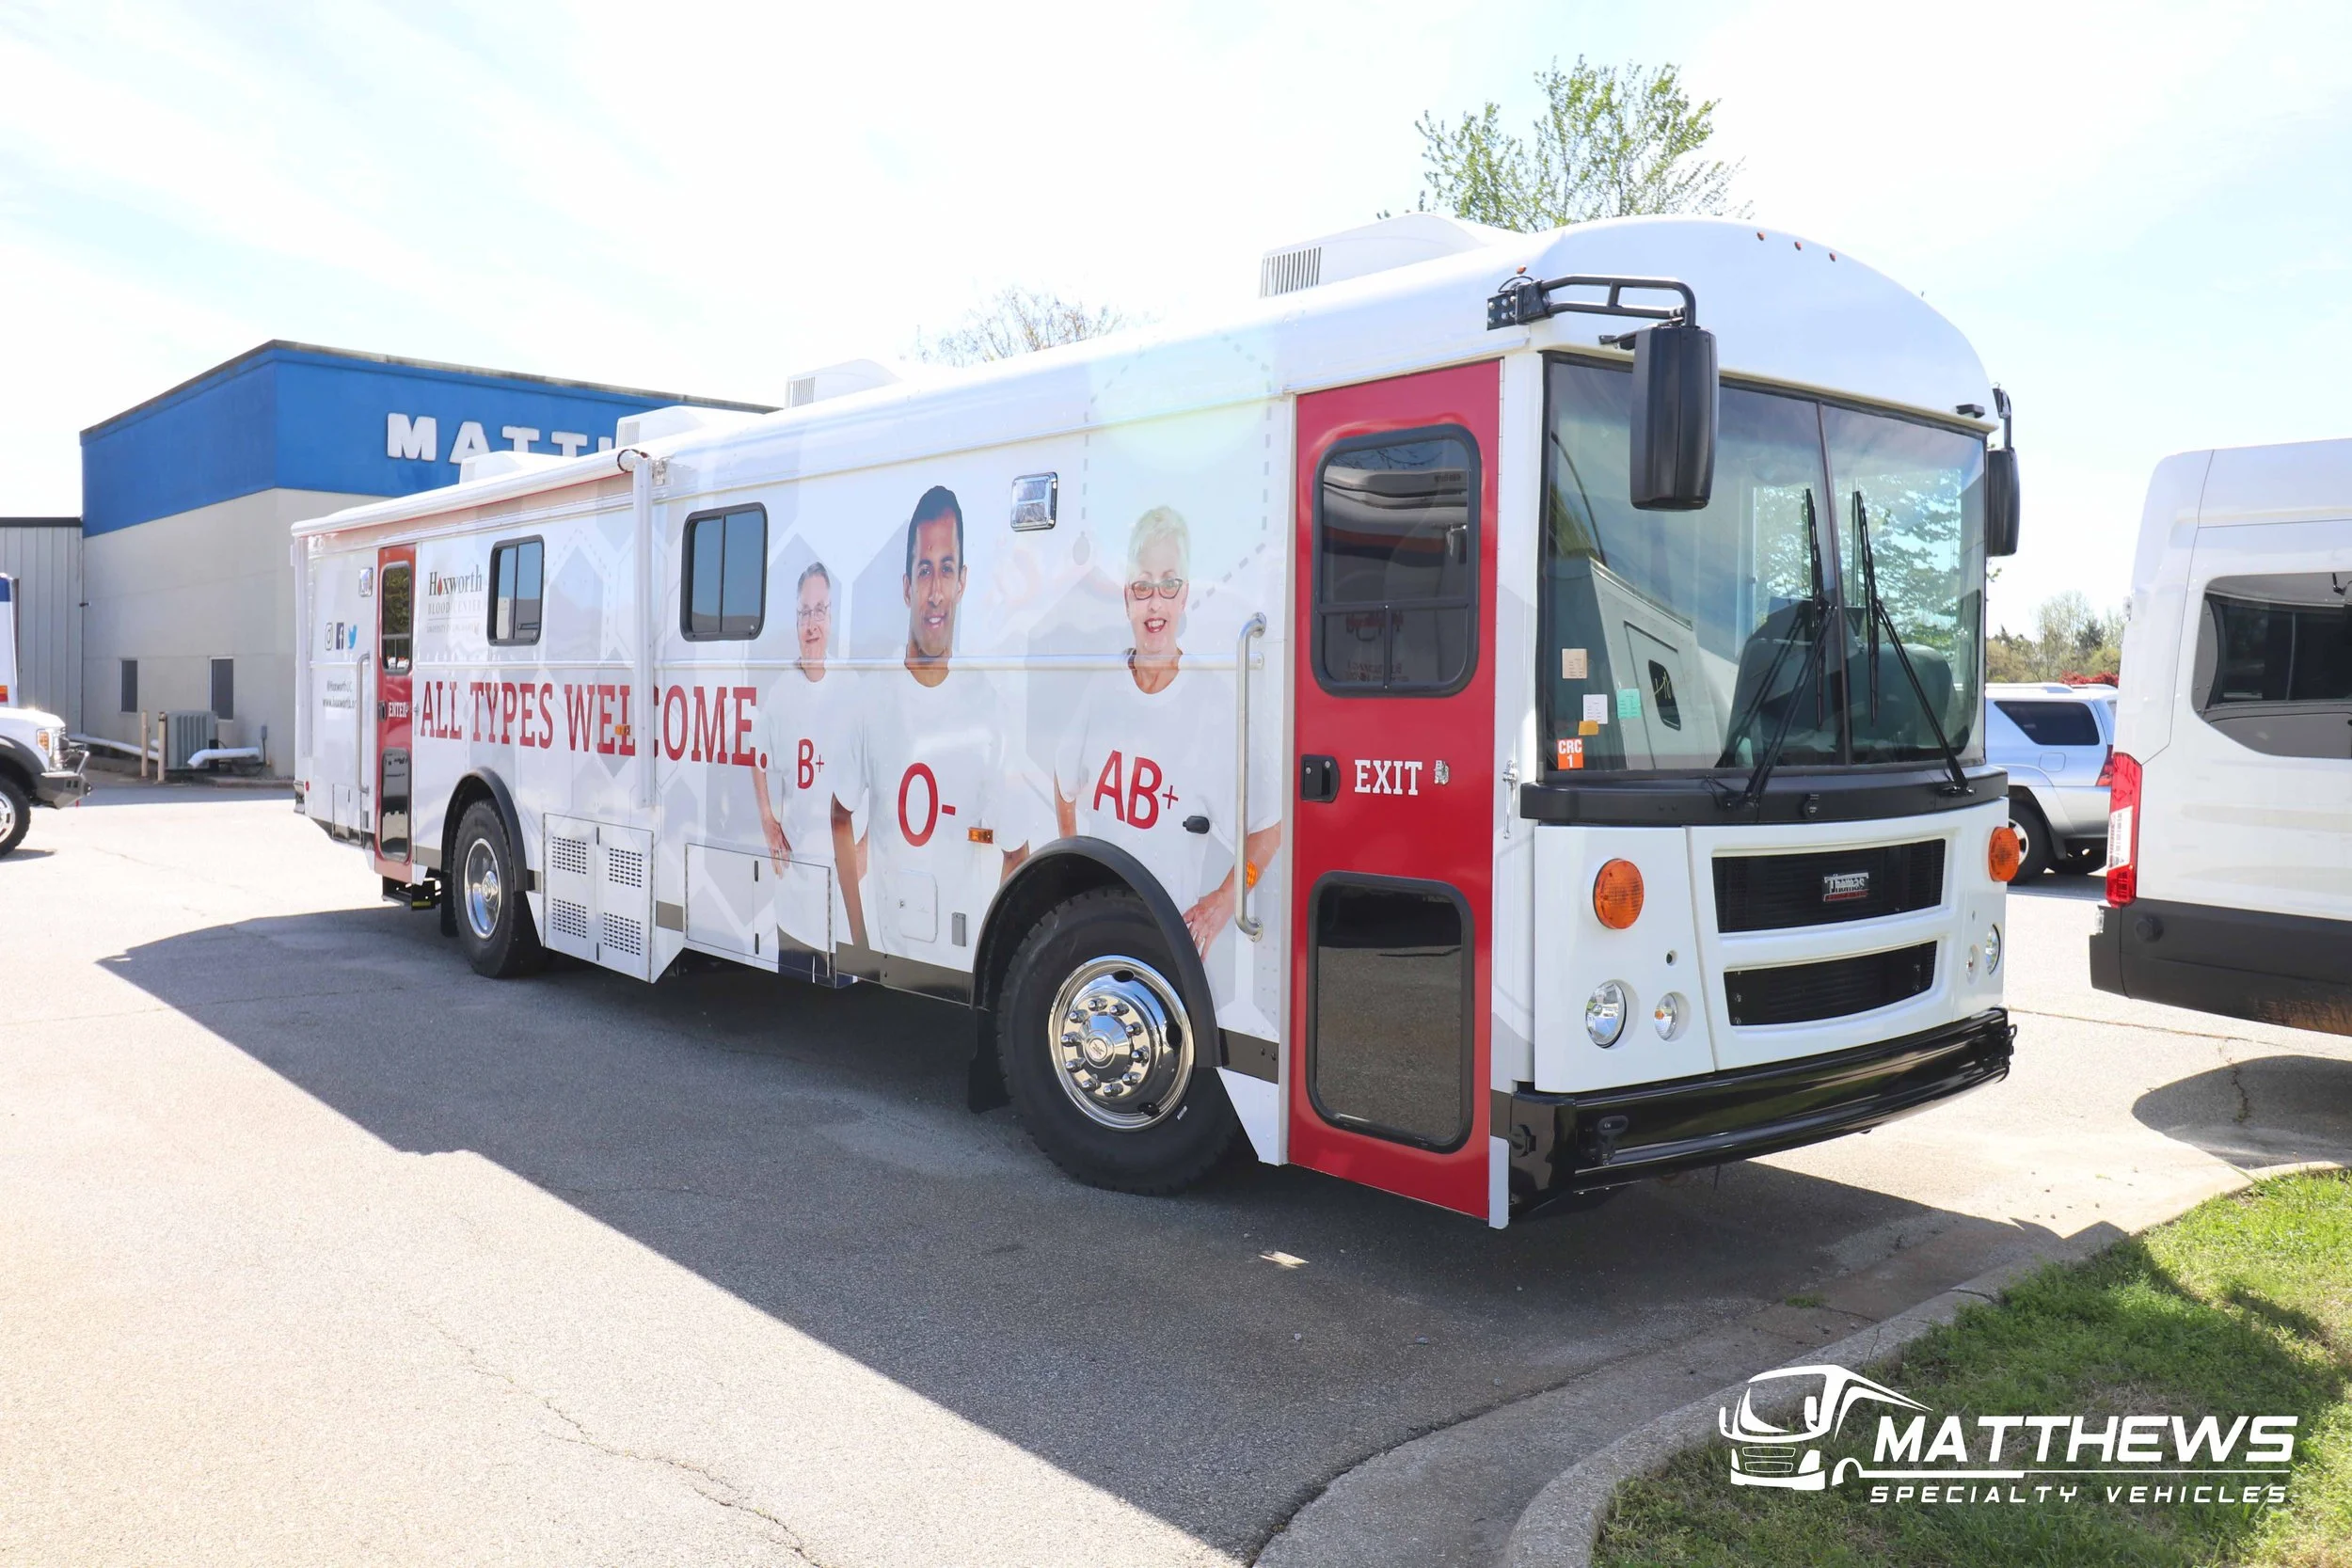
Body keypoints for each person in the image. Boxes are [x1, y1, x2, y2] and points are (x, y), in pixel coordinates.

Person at [1054, 506, 1279, 957]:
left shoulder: (1215, 706)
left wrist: (1225, 901)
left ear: (1184, 596)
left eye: (1168, 584)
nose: (1154, 602)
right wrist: (1069, 871)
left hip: (1167, 940)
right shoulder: (1102, 687)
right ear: (1127, 599)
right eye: (1142, 586)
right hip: (1098, 926)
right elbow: (1064, 784)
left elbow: (1269, 831)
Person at [832, 486, 1029, 958]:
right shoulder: (868, 700)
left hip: (958, 958)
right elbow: (841, 817)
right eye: (924, 571)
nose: (936, 592)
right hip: (887, 951)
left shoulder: (991, 710)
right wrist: (858, 942)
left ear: (962, 581)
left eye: (945, 570)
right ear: (906, 587)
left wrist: (990, 960)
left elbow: (1016, 852)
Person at [752, 562, 848, 953]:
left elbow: (878, 770)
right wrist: (768, 821)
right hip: (793, 886)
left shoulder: (850, 687)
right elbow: (756, 758)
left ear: (831, 618)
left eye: (820, 612)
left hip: (840, 887)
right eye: (804, 613)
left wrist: (867, 844)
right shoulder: (781, 693)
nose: (812, 625)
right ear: (795, 622)